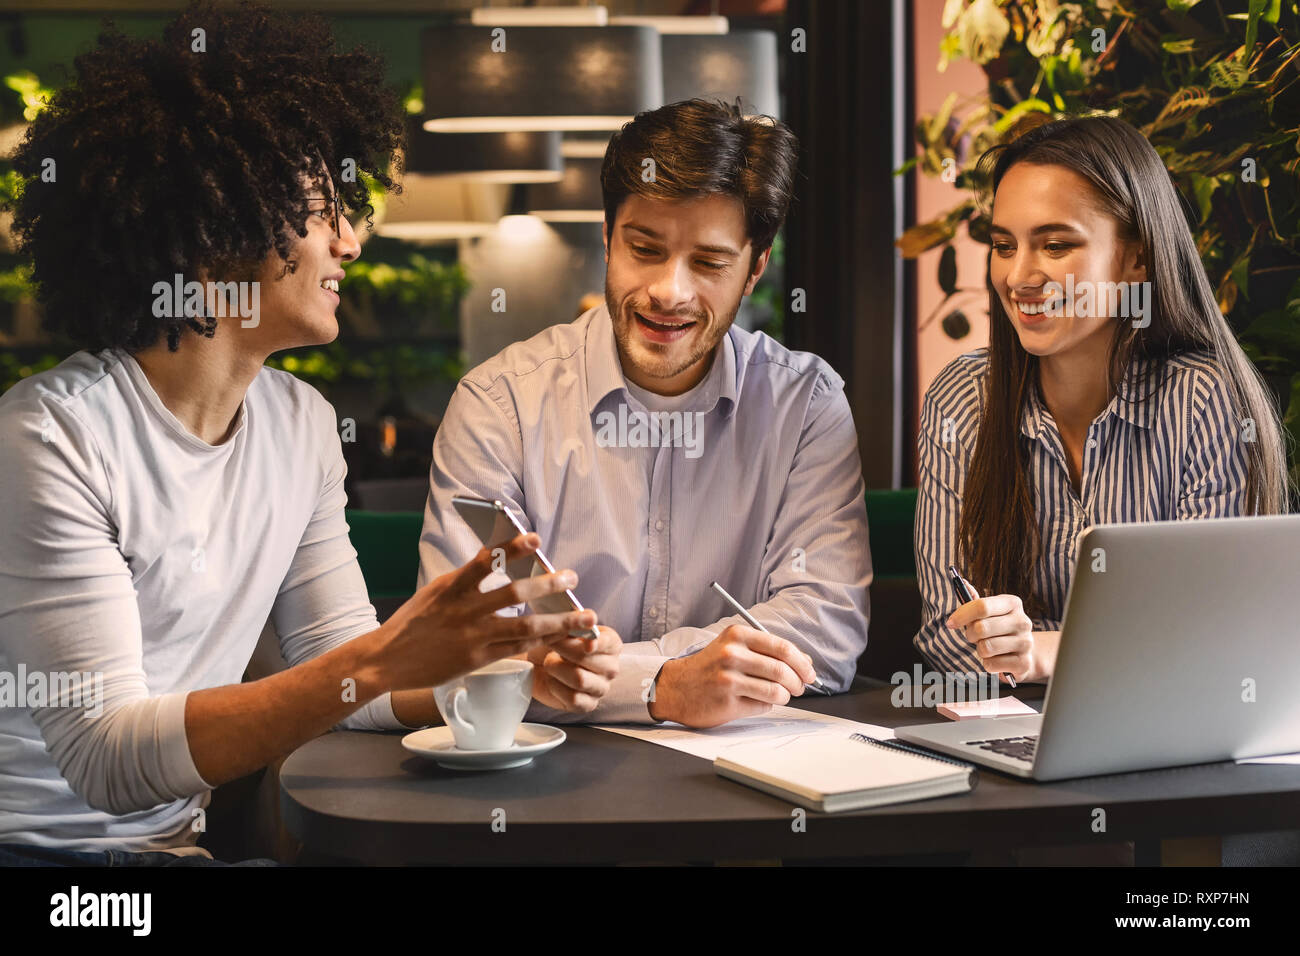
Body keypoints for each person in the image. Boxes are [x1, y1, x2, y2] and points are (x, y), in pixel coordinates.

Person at [0, 1, 612, 866]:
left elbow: (346, 678)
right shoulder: (52, 435)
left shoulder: (301, 425)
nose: (352, 242)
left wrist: (479, 672)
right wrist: (394, 652)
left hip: (173, 853)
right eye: (323, 210)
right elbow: (104, 758)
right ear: (216, 220)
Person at [419, 99, 872, 729]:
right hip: (542, 787)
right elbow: (462, 640)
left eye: (710, 263)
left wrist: (618, 676)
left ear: (755, 269)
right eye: (645, 249)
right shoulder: (500, 403)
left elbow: (825, 628)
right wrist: (663, 686)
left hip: (739, 784)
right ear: (607, 240)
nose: (670, 291)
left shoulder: (806, 406)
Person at [913, 114, 1290, 686]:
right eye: (1004, 245)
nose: (1019, 277)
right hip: (1011, 732)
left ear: (1136, 258)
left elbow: (1212, 632)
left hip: (1169, 739)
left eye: (1056, 244)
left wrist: (1042, 651)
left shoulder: (1204, 402)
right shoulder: (963, 399)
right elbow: (946, 632)